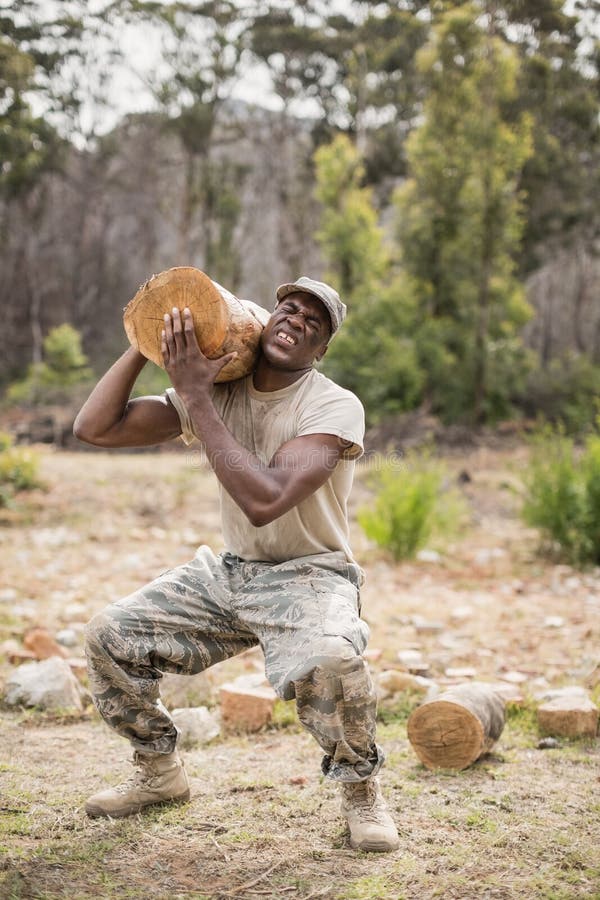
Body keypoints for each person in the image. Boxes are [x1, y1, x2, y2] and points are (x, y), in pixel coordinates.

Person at [74, 275, 399, 853]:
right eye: (289, 308)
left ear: (320, 349)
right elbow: (96, 428)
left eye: (313, 322)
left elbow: (264, 498)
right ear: (265, 319)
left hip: (311, 573)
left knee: (331, 658)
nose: (296, 319)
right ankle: (158, 773)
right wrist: (152, 339)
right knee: (109, 633)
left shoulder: (333, 404)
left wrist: (195, 396)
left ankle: (361, 792)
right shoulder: (221, 386)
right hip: (231, 571)